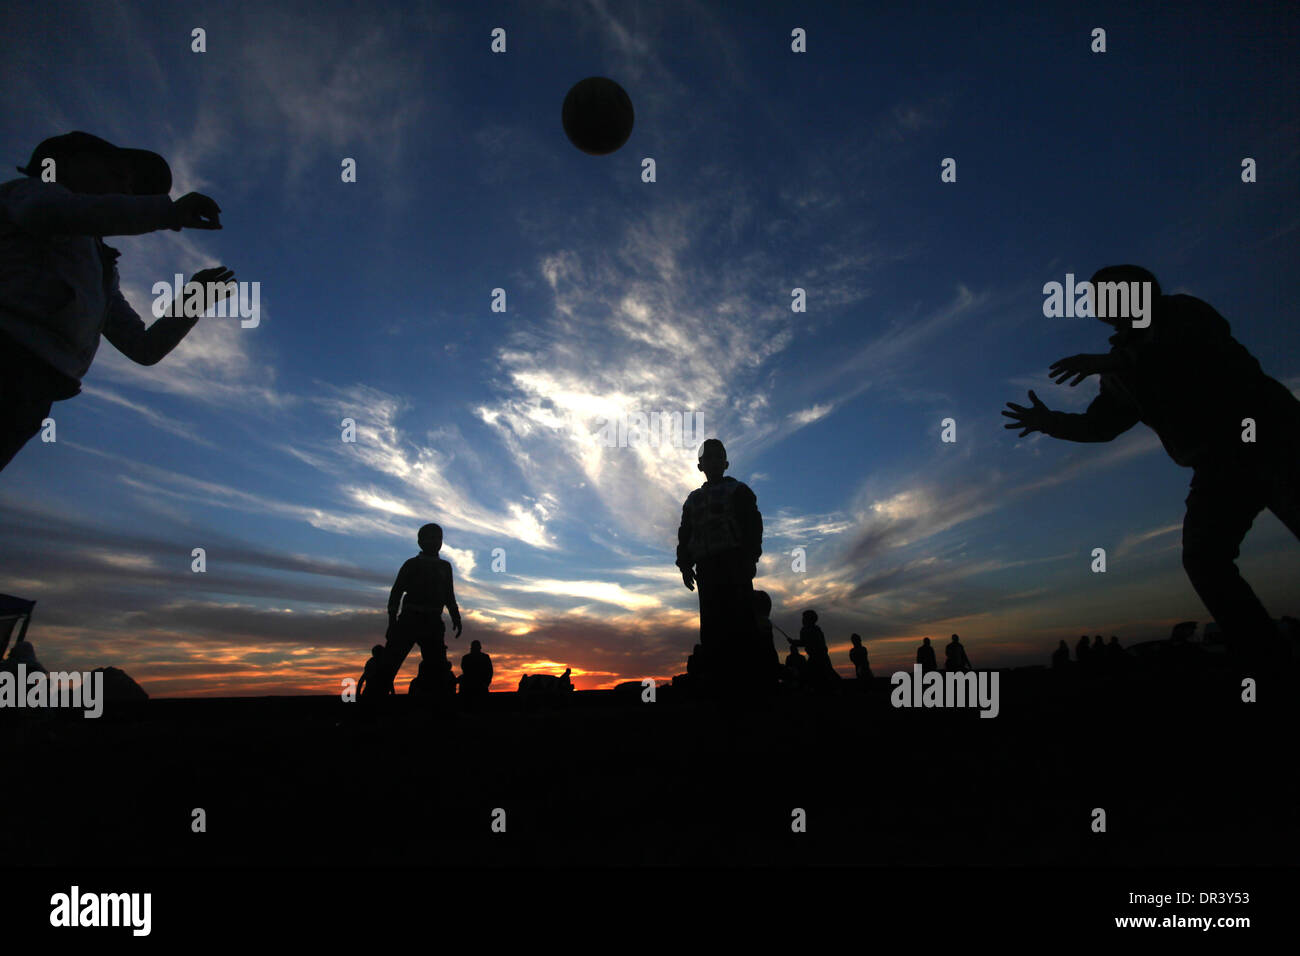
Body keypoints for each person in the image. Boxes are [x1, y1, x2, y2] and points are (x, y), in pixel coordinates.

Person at [1004, 265, 1300, 669]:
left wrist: (1116, 362)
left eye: (1101, 295)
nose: (1093, 304)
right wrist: (1048, 422)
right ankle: (1267, 660)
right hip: (1217, 467)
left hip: (1274, 438)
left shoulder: (1183, 314)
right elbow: (1100, 426)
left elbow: (1188, 350)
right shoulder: (1118, 370)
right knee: (1203, 558)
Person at [0, 131, 231, 472]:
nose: (125, 187)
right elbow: (52, 211)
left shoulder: (100, 266)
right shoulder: (30, 194)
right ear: (66, 162)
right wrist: (168, 214)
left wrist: (193, 300)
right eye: (118, 173)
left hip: (33, 392)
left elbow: (143, 347)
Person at [676, 438, 763, 695]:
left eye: (718, 457)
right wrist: (684, 564)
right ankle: (718, 685)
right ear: (700, 465)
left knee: (741, 621)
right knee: (712, 625)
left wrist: (750, 558)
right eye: (708, 458)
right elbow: (686, 533)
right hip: (706, 568)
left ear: (725, 463)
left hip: (734, 564)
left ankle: (749, 685)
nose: (713, 462)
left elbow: (752, 526)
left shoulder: (739, 491)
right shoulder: (693, 500)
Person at [381, 523, 463, 696]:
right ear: (420, 542)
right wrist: (392, 620)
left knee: (438, 672)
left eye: (438, 537)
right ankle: (366, 712)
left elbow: (449, 595)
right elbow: (396, 592)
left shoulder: (445, 567)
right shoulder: (411, 565)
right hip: (409, 620)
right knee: (387, 668)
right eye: (430, 537)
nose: (435, 541)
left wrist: (456, 616)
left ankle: (435, 713)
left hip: (433, 622)